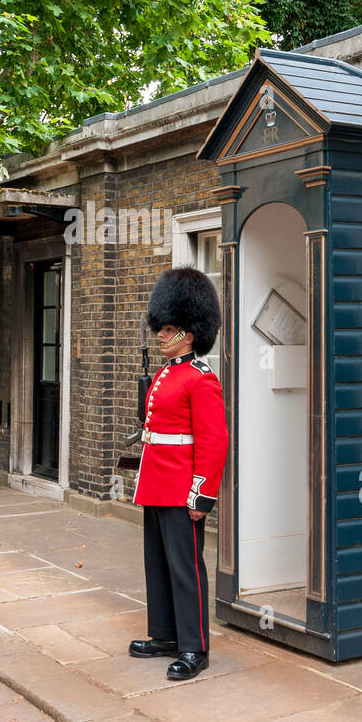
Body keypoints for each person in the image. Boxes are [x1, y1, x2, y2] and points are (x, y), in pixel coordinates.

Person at [128, 266, 229, 680]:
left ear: (187, 333)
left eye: (166, 328)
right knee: (158, 563)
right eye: (160, 327)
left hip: (182, 488)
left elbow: (214, 441)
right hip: (156, 483)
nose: (159, 334)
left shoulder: (201, 379)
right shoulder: (164, 373)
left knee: (186, 569)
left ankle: (195, 647)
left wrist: (201, 494)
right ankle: (165, 634)